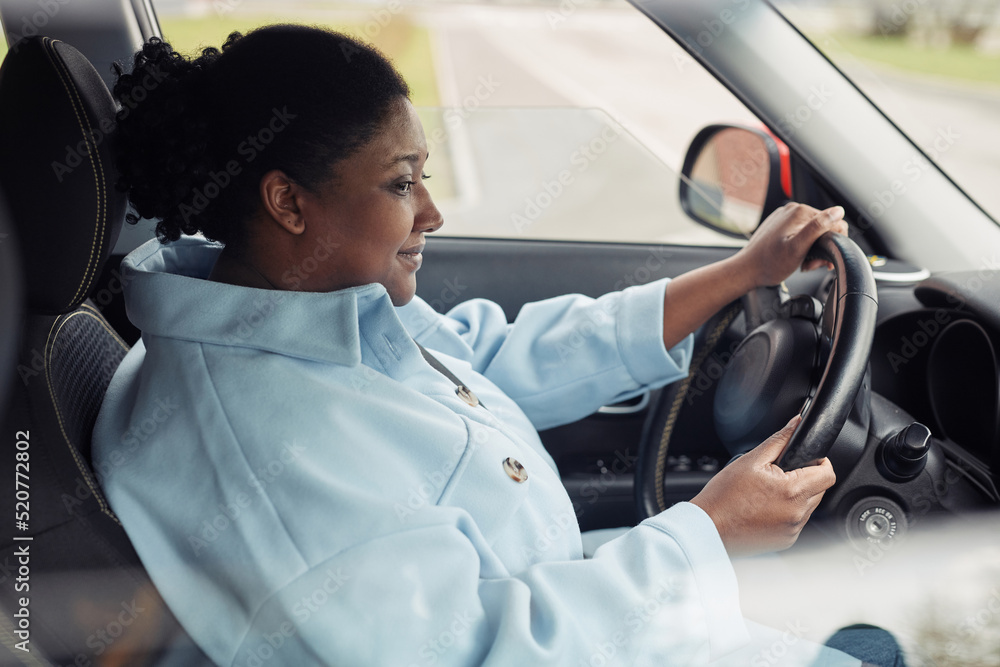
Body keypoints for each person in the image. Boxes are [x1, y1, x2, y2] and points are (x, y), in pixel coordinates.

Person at [93, 25, 903, 666]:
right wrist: (708, 533)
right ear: (288, 203)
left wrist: (739, 272)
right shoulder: (258, 449)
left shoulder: (301, 307)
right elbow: (472, 652)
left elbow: (497, 360)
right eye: (402, 182)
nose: (433, 213)